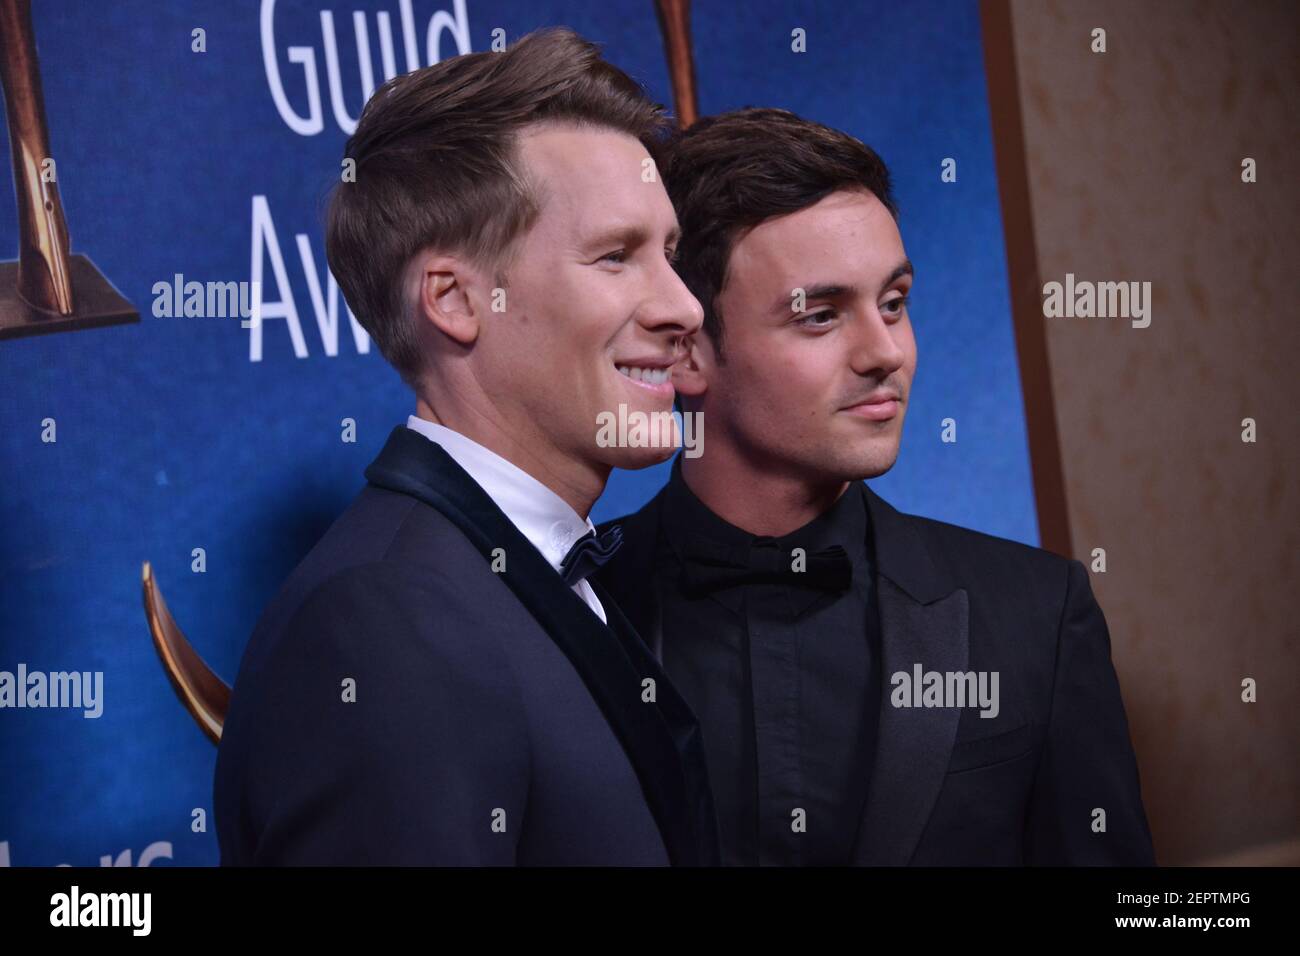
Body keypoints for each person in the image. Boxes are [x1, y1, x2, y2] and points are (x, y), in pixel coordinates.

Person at [596, 107, 1156, 866]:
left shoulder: (1036, 617)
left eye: (894, 304)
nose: (885, 351)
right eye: (822, 316)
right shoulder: (574, 617)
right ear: (688, 352)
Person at [214, 28, 716, 865]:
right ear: (453, 299)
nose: (684, 307)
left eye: (669, 253)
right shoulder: (385, 625)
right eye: (616, 257)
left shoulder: (511, 568)